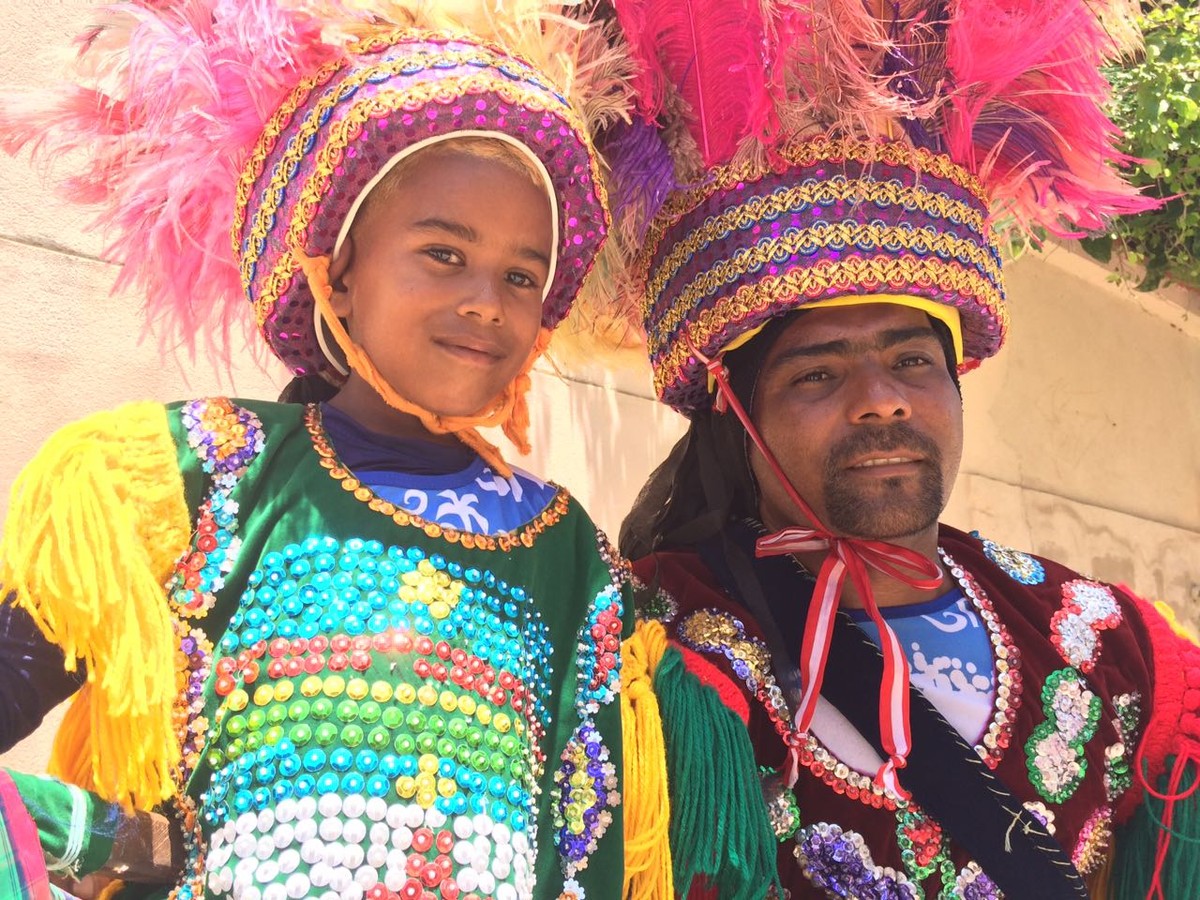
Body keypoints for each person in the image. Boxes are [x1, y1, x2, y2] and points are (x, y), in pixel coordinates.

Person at [0, 3, 632, 898]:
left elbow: (585, 847)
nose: (488, 301)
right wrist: (84, 837)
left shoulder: (568, 550)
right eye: (444, 253)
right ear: (337, 272)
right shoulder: (196, 476)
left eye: (521, 276)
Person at [602, 0, 1200, 897]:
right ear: (735, 410)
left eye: (913, 361)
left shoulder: (1109, 645)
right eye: (816, 374)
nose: (881, 402)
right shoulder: (653, 652)